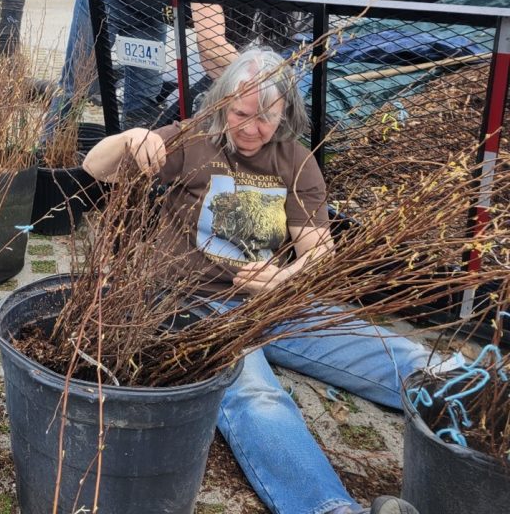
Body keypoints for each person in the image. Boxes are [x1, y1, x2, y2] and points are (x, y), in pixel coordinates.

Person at [82, 48, 445, 514]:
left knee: (396, 353)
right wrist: (133, 138)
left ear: (285, 113)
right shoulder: (193, 140)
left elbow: (319, 253)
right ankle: (330, 509)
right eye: (240, 113)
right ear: (221, 102)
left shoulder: (296, 161)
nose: (251, 129)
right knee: (257, 397)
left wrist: (285, 277)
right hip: (192, 305)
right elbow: (95, 167)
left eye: (266, 118)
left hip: (274, 303)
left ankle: (480, 397)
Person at [53, 0, 298, 130]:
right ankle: (50, 146)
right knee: (81, 77)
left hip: (148, 9)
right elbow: (211, 43)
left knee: (145, 89)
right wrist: (263, 76)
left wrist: (239, 92)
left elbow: (210, 60)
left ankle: (131, 153)